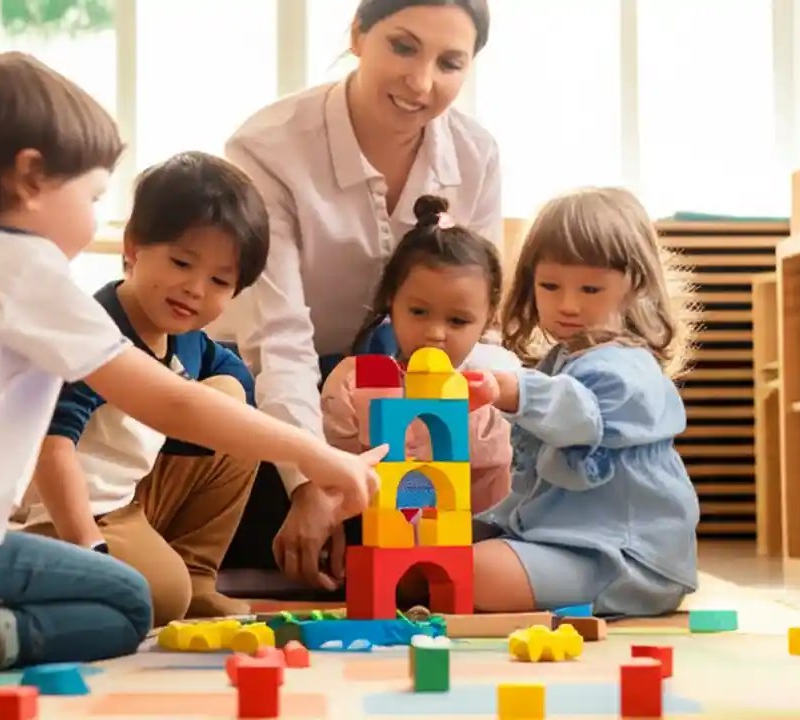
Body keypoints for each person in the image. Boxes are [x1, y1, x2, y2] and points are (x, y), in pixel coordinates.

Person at [0, 52, 383, 681]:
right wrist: (322, 457)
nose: (98, 215)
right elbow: (177, 403)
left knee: (89, 581)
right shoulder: (24, 272)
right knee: (125, 603)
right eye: (94, 194)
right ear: (31, 179)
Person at [218, 0, 498, 589]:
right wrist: (316, 480)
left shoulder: (476, 154)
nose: (421, 83)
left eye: (450, 63)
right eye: (403, 46)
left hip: (403, 395)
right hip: (279, 391)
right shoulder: (269, 146)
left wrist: (430, 428)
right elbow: (278, 339)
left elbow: (480, 326)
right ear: (358, 35)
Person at [17, 152, 269, 622]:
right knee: (160, 596)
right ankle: (31, 563)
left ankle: (198, 575)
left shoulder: (185, 333)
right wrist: (89, 552)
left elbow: (228, 367)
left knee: (240, 430)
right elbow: (51, 450)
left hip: (128, 499)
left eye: (219, 280)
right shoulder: (95, 334)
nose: (194, 288)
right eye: (180, 262)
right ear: (132, 247)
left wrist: (230, 391)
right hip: (63, 510)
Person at [469, 186, 700, 616]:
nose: (567, 304)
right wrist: (487, 524)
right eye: (550, 286)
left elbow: (581, 414)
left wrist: (509, 389)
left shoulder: (625, 367)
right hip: (570, 541)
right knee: (451, 554)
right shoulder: (562, 360)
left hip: (626, 559)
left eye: (590, 289)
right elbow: (533, 484)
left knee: (471, 572)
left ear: (635, 285)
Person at [321, 195, 517, 555]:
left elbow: (492, 513)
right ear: (390, 303)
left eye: (457, 320)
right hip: (363, 550)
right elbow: (331, 482)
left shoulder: (484, 402)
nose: (436, 333)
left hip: (452, 558)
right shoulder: (356, 383)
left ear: (487, 321)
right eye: (419, 312)